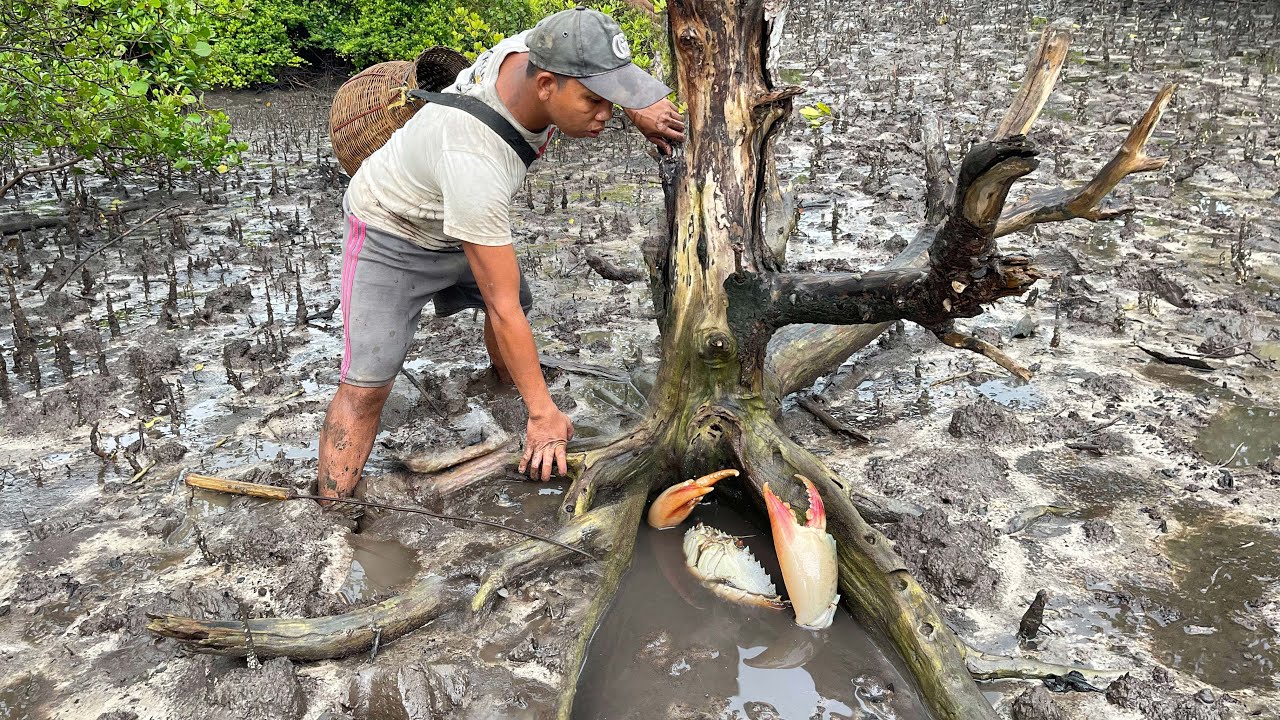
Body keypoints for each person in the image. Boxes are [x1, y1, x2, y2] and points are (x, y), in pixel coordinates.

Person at [318, 7, 685, 500]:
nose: (604, 113)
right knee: (368, 384)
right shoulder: (477, 161)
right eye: (595, 100)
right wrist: (545, 415)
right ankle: (329, 505)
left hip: (460, 215)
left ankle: (502, 383)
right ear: (547, 85)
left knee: (517, 309)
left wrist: (637, 108)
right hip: (393, 227)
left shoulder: (537, 47)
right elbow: (502, 305)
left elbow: (591, 70)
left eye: (611, 99)